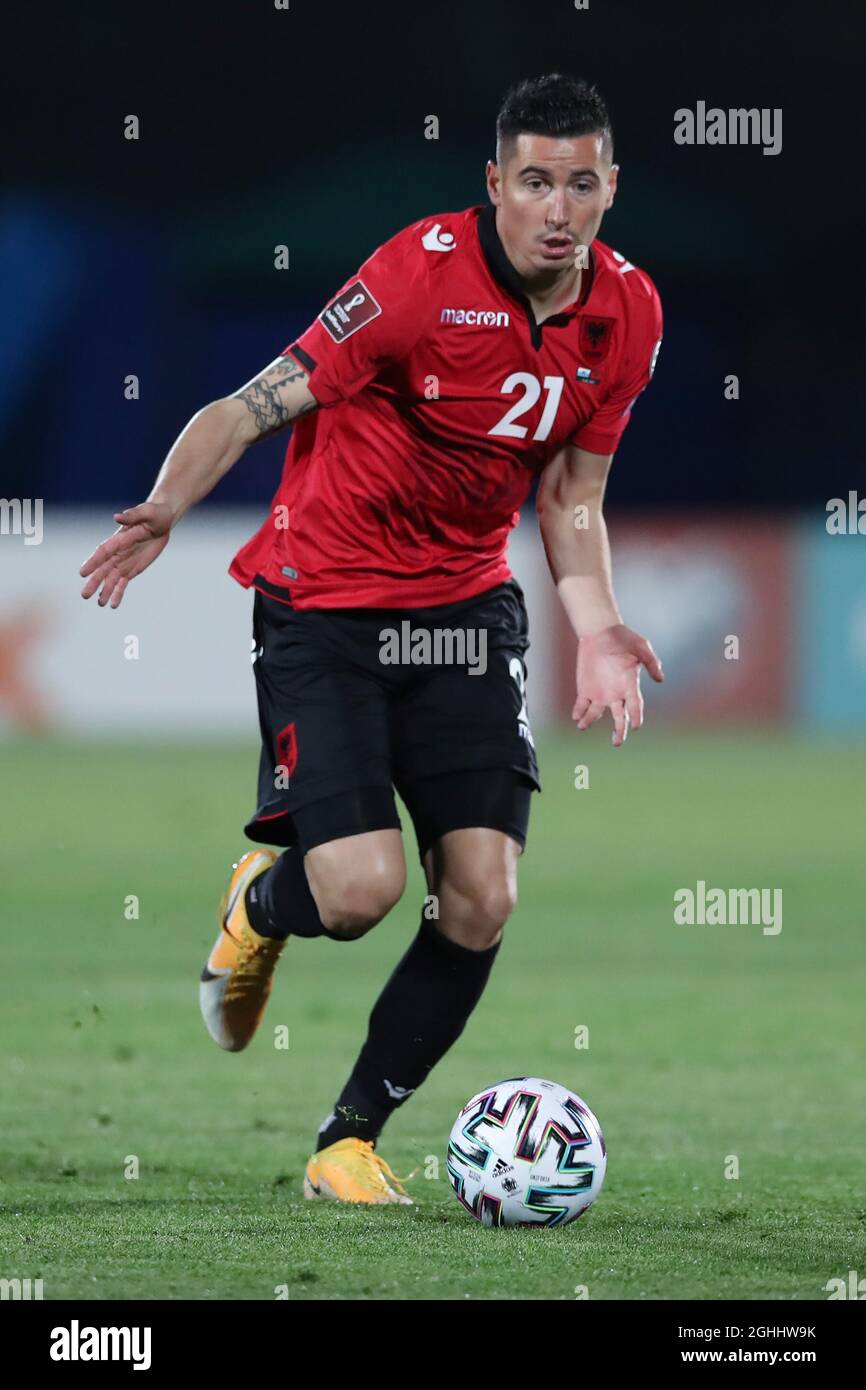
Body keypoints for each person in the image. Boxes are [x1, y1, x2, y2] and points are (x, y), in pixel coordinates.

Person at [79, 73, 664, 1206]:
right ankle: (259, 907)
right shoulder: (415, 277)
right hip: (327, 604)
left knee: (481, 895)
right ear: (494, 183)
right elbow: (253, 403)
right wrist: (166, 503)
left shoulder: (627, 313)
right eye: (533, 181)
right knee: (355, 892)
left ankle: (347, 1136)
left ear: (608, 189)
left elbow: (570, 496)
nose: (556, 206)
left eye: (579, 184)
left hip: (463, 611)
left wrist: (593, 625)